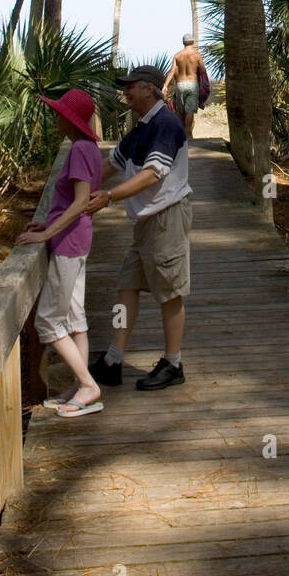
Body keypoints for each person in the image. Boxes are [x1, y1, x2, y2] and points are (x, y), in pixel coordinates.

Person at [88, 65, 192, 392]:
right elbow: (111, 165)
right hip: (146, 221)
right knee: (127, 285)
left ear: (149, 89)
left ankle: (173, 363)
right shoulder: (139, 129)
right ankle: (113, 359)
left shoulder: (165, 124)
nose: (126, 92)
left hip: (166, 218)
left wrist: (109, 197)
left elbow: (152, 175)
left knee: (170, 292)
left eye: (131, 87)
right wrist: (78, 189)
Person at [16, 88, 105, 418]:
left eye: (59, 114)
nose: (55, 118)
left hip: (68, 243)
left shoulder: (80, 150)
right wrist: (45, 223)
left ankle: (88, 385)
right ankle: (82, 387)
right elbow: (71, 201)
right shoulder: (88, 148)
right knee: (74, 318)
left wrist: (51, 231)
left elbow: (82, 201)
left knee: (48, 322)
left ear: (70, 120)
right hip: (76, 240)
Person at [162, 35, 208, 140]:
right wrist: (204, 87)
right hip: (192, 84)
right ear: (192, 42)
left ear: (183, 42)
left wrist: (165, 85)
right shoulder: (197, 55)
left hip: (180, 84)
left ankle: (181, 133)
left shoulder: (178, 55)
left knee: (180, 110)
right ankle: (188, 134)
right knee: (190, 111)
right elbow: (203, 71)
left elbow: (172, 72)